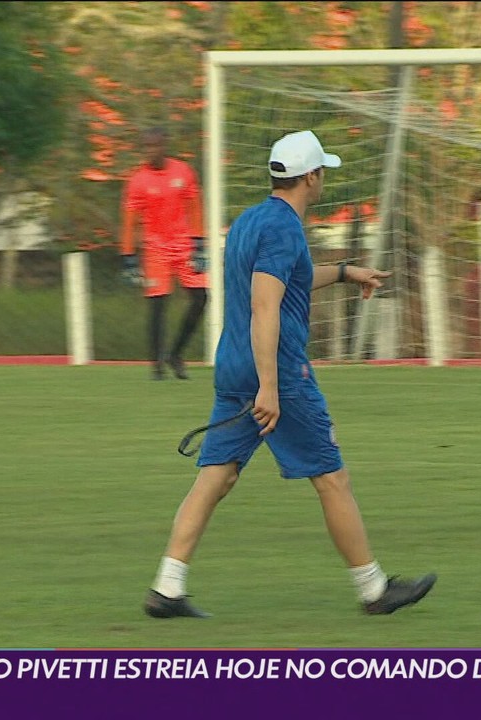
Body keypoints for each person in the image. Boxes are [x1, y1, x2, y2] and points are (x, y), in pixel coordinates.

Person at [143, 130, 437, 618]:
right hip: (275, 369)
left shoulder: (250, 221)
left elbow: (287, 278)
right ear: (311, 177)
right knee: (331, 478)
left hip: (233, 365)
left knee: (217, 475)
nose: (324, 181)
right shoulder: (283, 229)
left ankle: (167, 588)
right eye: (323, 172)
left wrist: (344, 272)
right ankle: (374, 589)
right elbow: (265, 304)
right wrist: (271, 388)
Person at [120, 126, 208, 381]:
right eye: (146, 147)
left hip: (184, 245)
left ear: (164, 145)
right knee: (158, 305)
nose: (151, 151)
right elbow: (129, 221)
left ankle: (176, 354)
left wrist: (199, 245)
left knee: (201, 298)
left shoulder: (183, 171)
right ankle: (157, 364)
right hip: (155, 248)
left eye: (155, 146)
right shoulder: (137, 181)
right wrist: (128, 257)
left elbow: (195, 209)